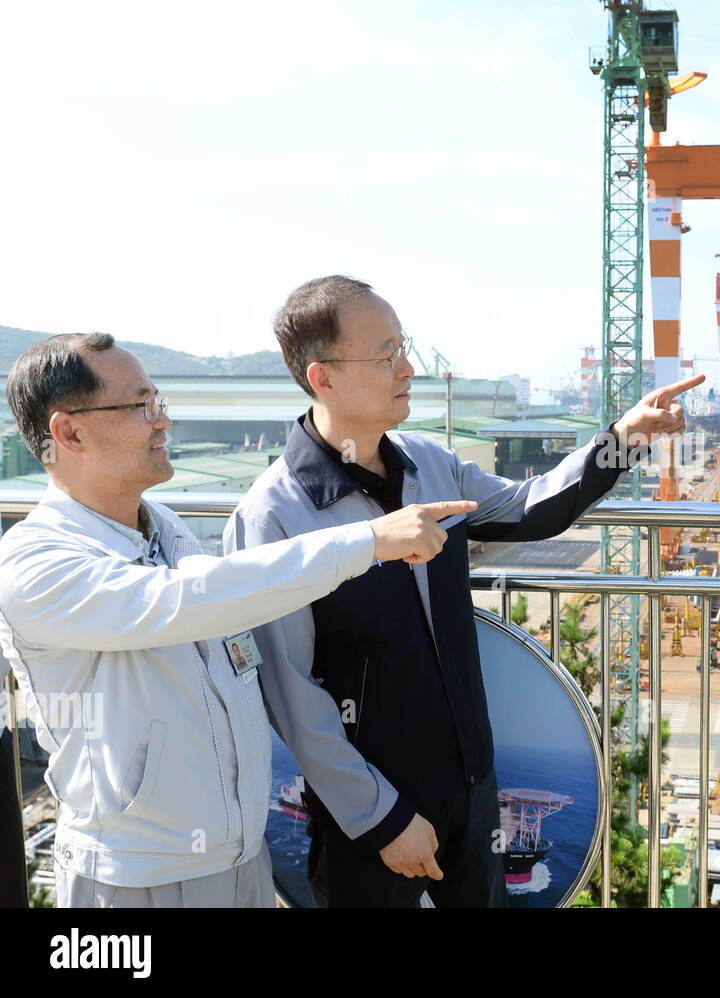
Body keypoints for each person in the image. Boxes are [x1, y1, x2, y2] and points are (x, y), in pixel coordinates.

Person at [225, 275, 701, 907]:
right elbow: (291, 695)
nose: (409, 367)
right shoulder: (274, 515)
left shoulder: (429, 465)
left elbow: (530, 510)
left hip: (472, 791)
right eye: (386, 354)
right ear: (323, 377)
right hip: (372, 819)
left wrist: (626, 439)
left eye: (404, 346)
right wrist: (381, 820)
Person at [0, 333, 472, 907]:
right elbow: (185, 600)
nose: (162, 422)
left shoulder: (165, 527)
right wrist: (365, 542)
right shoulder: (35, 560)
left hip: (244, 859)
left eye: (159, 402)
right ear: (68, 431)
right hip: (137, 877)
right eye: (140, 406)